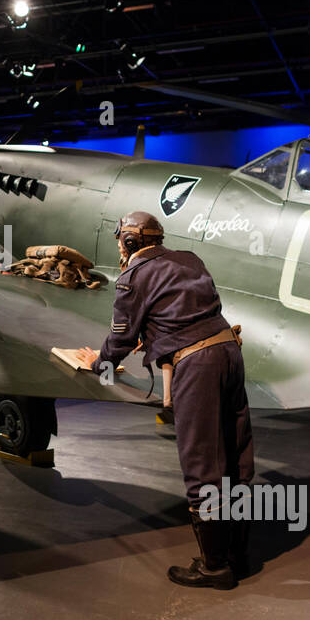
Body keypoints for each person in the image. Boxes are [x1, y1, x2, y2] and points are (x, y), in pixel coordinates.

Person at [74, 211, 255, 589]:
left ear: (129, 242)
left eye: (120, 240)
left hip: (197, 365)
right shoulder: (190, 259)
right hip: (228, 351)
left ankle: (214, 567)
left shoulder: (132, 278)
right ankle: (238, 551)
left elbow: (120, 339)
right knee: (237, 454)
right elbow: (185, 309)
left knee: (201, 460)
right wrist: (157, 333)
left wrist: (99, 363)